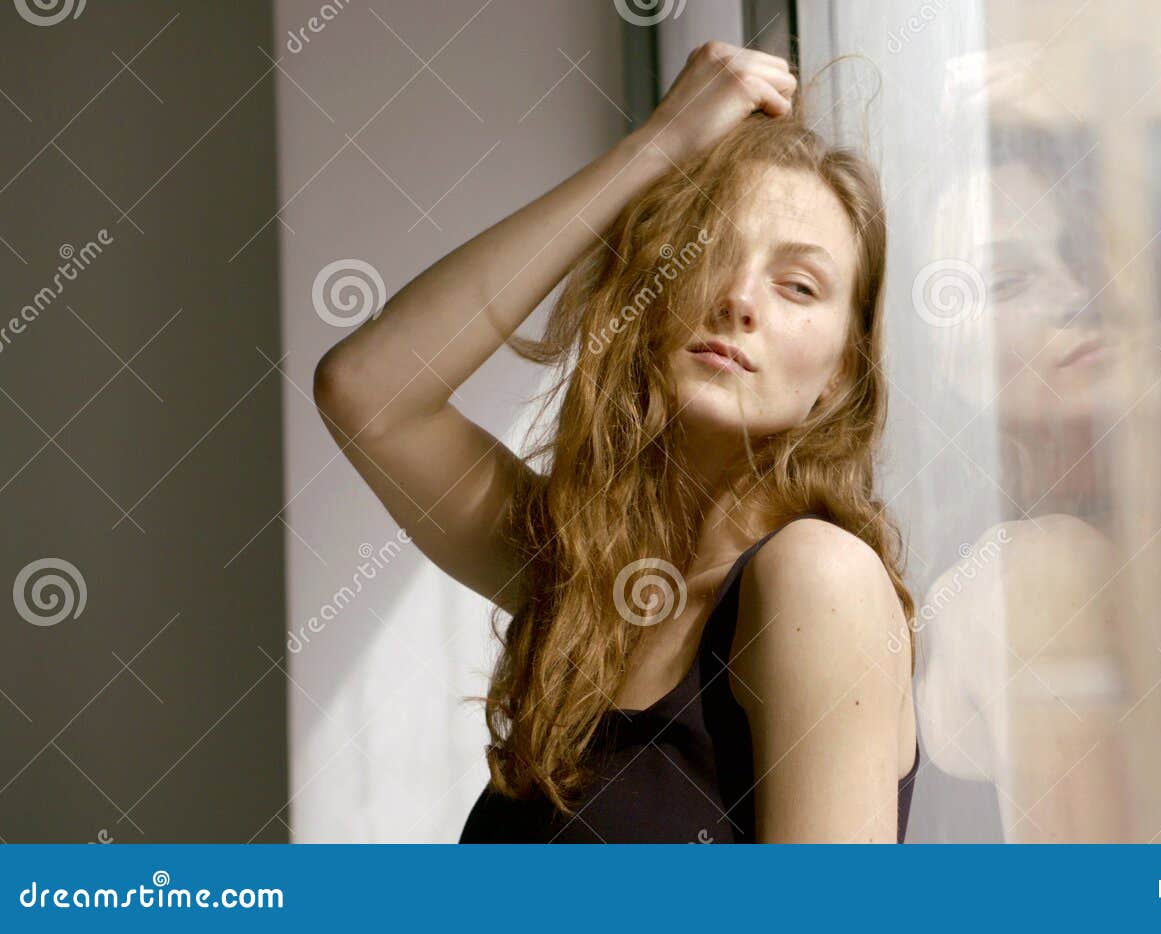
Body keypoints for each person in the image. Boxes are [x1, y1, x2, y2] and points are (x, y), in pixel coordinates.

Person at [313, 41, 918, 843]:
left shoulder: (818, 578)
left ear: (840, 373)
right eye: (708, 253)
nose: (740, 298)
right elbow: (367, 389)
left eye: (798, 285)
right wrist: (655, 146)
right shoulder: (583, 583)